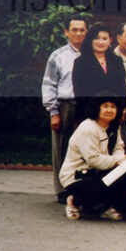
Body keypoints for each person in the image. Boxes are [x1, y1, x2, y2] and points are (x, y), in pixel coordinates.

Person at [59, 95, 126, 221]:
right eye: (105, 106)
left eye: (113, 107)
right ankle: (73, 201)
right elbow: (94, 160)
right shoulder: (88, 128)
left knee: (124, 171)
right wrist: (119, 160)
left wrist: (121, 160)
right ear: (97, 108)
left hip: (98, 171)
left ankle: (106, 206)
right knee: (99, 187)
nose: (109, 110)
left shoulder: (114, 126)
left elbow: (119, 147)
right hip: (77, 176)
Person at [42, 14, 87, 202]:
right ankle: (62, 190)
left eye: (82, 30)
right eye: (74, 30)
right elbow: (49, 84)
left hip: (87, 106)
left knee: (85, 149)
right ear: (66, 32)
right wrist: (53, 112)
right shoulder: (58, 56)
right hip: (65, 105)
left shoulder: (93, 54)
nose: (78, 33)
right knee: (61, 147)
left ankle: (82, 189)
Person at [72, 23, 126, 123]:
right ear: (90, 40)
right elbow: (79, 92)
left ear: (110, 40)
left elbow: (122, 88)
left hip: (113, 113)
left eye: (104, 39)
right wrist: (95, 112)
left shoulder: (117, 61)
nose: (101, 42)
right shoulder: (81, 62)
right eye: (96, 38)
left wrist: (121, 108)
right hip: (89, 114)